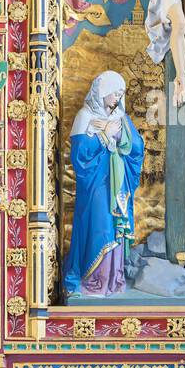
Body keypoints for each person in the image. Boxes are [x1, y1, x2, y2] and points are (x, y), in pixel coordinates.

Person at [64, 72, 144, 297]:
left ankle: (113, 279)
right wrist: (103, 136)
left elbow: (137, 147)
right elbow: (80, 155)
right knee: (101, 225)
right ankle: (95, 279)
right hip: (96, 183)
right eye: (115, 92)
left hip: (118, 183)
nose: (118, 98)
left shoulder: (120, 116)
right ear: (102, 91)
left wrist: (118, 138)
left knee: (115, 226)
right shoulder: (85, 116)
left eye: (121, 93)